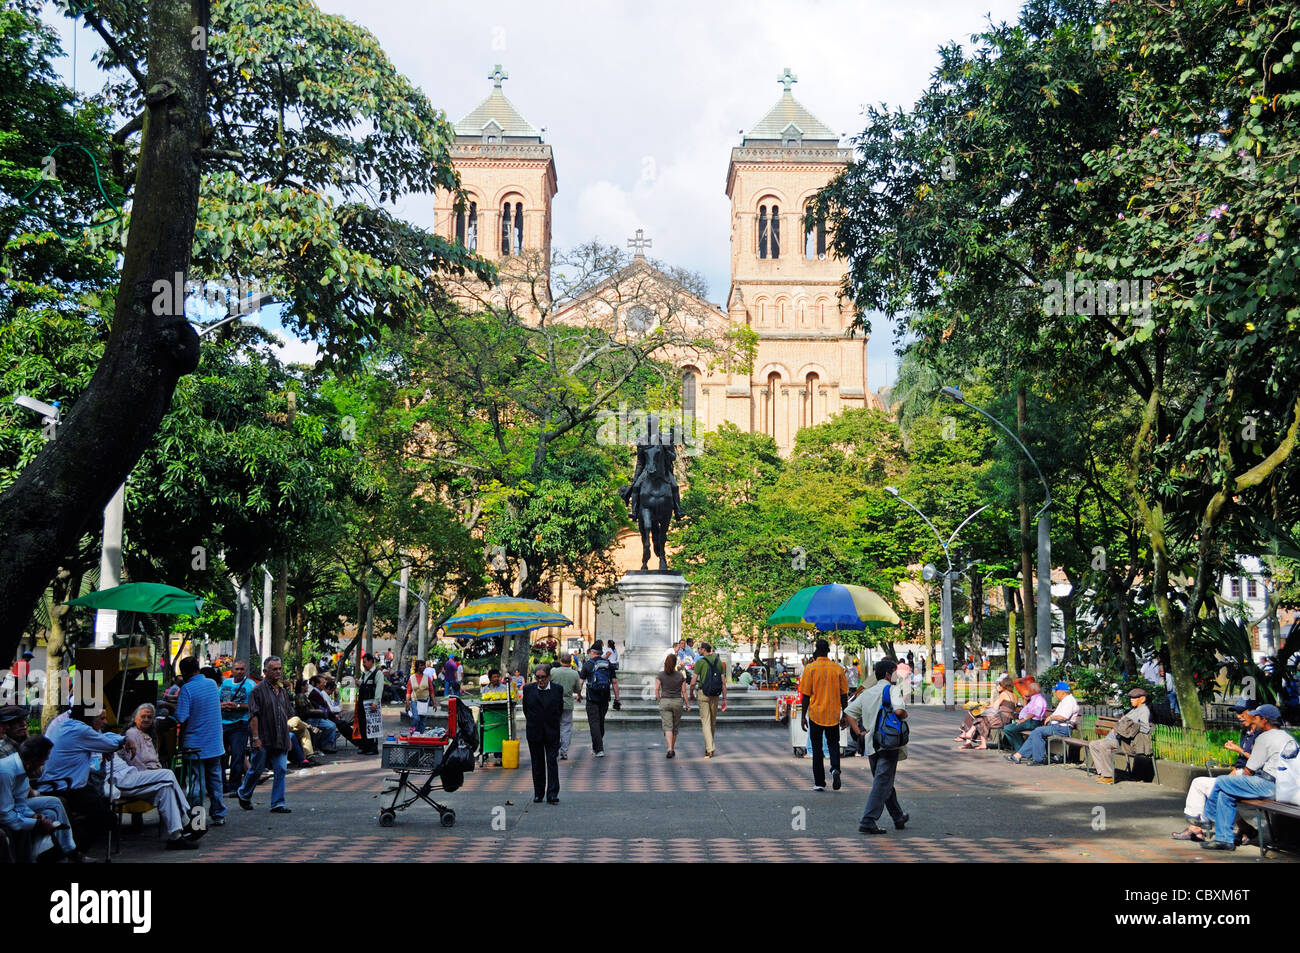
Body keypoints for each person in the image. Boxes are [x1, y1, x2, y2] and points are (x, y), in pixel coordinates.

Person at [1200, 704, 1298, 851]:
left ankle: (1208, 816)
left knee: (1222, 781)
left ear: (1264, 720)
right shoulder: (1286, 736)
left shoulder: (1264, 737)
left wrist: (1241, 779)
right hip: (1284, 786)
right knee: (1226, 794)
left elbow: (1248, 771)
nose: (1253, 720)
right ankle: (1224, 840)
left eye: (1256, 717)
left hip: (1268, 785)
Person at [37, 706, 133, 848]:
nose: (104, 722)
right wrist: (122, 740)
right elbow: (109, 744)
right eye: (101, 718)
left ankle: (77, 843)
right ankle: (78, 846)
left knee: (100, 805)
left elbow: (103, 738)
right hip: (66, 787)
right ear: (90, 718)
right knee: (108, 819)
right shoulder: (81, 730)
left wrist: (123, 738)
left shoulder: (65, 725)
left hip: (57, 784)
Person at [1172, 698, 1258, 842]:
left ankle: (1198, 829)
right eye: (1237, 713)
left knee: (1212, 789)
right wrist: (1229, 776)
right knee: (1201, 784)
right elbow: (1240, 764)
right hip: (1240, 775)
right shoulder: (1246, 732)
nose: (1238, 716)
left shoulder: (1262, 735)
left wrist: (1240, 750)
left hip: (1254, 779)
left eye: (1242, 712)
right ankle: (1198, 828)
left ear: (1254, 712)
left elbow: (1258, 762)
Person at [845, 659, 909, 834]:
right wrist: (904, 713)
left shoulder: (867, 693)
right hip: (889, 743)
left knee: (883, 781)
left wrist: (859, 732)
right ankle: (868, 820)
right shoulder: (892, 689)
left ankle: (898, 816)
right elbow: (898, 711)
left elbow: (849, 712)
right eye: (895, 673)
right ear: (888, 674)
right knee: (882, 783)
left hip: (871, 744)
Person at [1, 736, 86, 862]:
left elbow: (20, 804)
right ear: (33, 760)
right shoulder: (6, 772)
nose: (43, 765)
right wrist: (37, 823)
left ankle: (67, 851)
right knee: (39, 822)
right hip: (4, 813)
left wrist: (36, 816)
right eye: (43, 761)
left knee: (52, 808)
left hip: (9, 808)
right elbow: (6, 815)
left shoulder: (23, 769)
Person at [237, 656, 294, 813]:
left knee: (281, 769)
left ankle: (278, 803)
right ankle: (244, 793)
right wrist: (255, 738)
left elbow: (286, 716)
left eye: (279, 669)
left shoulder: (282, 691)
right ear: (265, 671)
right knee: (256, 769)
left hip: (280, 737)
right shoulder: (257, 691)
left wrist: (288, 737)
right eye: (274, 669)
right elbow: (253, 716)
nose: (277, 672)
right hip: (263, 738)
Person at [175, 656, 227, 827]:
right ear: (198, 668)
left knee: (196, 783)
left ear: (183, 673)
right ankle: (218, 814)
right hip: (214, 742)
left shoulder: (187, 689)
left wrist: (169, 706)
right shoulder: (212, 684)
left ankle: (197, 820)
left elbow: (181, 717)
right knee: (215, 780)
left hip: (194, 744)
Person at [799, 638, 849, 791]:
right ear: (828, 651)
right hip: (833, 714)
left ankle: (819, 782)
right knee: (834, 744)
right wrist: (845, 714)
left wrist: (803, 716)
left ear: (816, 650)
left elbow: (806, 695)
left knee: (817, 747)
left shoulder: (810, 669)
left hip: (815, 714)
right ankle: (835, 769)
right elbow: (843, 694)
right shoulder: (838, 669)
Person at [1089, 687, 1153, 784]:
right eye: (1131, 698)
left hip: (1126, 743)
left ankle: (1108, 776)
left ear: (1142, 699)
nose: (1131, 700)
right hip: (1118, 739)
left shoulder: (1144, 710)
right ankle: (1102, 772)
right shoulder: (1134, 709)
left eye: (1134, 698)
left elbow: (1145, 728)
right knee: (1093, 744)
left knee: (1103, 745)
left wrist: (1129, 729)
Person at [1006, 682, 1079, 766]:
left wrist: (1051, 718)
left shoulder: (1069, 701)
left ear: (1062, 692)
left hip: (1062, 728)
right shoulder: (1065, 701)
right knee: (1036, 733)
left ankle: (1038, 759)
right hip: (1056, 727)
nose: (1055, 693)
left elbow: (1063, 717)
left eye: (1056, 691)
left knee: (1037, 731)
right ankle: (1018, 755)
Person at [522, 664, 563, 804]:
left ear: (549, 677)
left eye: (543, 677)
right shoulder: (528, 689)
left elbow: (560, 710)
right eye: (537, 677)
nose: (540, 680)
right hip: (534, 731)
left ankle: (552, 793)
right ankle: (538, 793)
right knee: (537, 763)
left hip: (552, 731)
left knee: (552, 762)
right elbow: (526, 710)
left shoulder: (558, 689)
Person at [219, 659, 255, 793]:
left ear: (245, 670)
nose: (239, 672)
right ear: (232, 670)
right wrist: (223, 705)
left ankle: (235, 786)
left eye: (242, 669)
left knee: (237, 756)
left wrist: (238, 706)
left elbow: (254, 705)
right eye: (237, 669)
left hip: (240, 723)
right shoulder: (225, 683)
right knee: (220, 756)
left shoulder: (251, 685)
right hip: (223, 723)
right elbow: (218, 699)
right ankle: (222, 786)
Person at [956, 675, 1018, 750]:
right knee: (979, 717)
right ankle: (973, 739)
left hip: (1000, 719)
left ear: (1004, 686)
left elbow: (994, 707)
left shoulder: (1004, 694)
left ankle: (970, 735)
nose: (999, 686)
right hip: (1008, 719)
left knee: (978, 717)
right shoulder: (1014, 695)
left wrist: (992, 694)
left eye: (1000, 685)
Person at [579, 645, 619, 757]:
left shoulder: (588, 664)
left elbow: (581, 682)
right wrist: (617, 698)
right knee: (600, 722)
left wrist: (578, 694)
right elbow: (614, 682)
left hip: (592, 698)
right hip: (605, 697)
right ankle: (597, 746)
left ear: (592, 652)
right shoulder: (608, 664)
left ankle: (599, 749)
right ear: (601, 653)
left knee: (594, 723)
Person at [689, 641, 728, 758]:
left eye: (699, 648)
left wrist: (691, 693)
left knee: (705, 721)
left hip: (703, 693)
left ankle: (710, 748)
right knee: (712, 722)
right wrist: (725, 699)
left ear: (704, 650)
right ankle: (709, 747)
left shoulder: (700, 662)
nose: (698, 650)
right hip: (715, 694)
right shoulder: (718, 662)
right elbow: (723, 682)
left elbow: (693, 681)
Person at [655, 653, 689, 758]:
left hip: (665, 701)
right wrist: (687, 704)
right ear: (675, 663)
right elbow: (684, 691)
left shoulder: (660, 675)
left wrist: (659, 700)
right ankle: (672, 748)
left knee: (667, 726)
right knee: (675, 727)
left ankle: (669, 748)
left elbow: (656, 689)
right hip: (677, 702)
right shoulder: (680, 675)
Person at [549, 653, 581, 760]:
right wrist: (579, 695)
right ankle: (564, 751)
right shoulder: (575, 674)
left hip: (553, 703)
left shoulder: (553, 671)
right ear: (570, 661)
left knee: (554, 726)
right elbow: (577, 689)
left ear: (561, 660)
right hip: (567, 703)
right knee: (566, 728)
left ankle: (554, 749)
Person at [1001, 680, 1048, 753]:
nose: (1028, 690)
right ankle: (1021, 750)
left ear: (1033, 690)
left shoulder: (1039, 699)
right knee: (1010, 729)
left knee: (1008, 729)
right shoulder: (1034, 698)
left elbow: (1034, 713)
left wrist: (1024, 719)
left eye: (1029, 689)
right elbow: (1027, 710)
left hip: (1032, 722)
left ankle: (1021, 751)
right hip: (1028, 721)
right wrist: (1025, 700)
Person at [355, 653, 384, 755]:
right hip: (362, 703)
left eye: (365, 662)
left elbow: (379, 689)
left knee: (372, 725)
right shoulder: (364, 673)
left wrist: (376, 702)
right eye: (363, 662)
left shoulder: (378, 673)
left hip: (371, 703)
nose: (364, 664)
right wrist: (358, 683)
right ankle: (365, 747)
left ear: (372, 662)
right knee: (363, 724)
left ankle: (373, 748)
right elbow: (362, 685)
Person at [406, 660, 434, 733]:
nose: (423, 667)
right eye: (421, 665)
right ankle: (413, 731)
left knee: (423, 720)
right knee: (416, 718)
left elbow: (431, 691)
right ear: (417, 667)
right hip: (414, 700)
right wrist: (407, 703)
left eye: (424, 665)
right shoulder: (412, 678)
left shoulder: (427, 678)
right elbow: (408, 691)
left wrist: (434, 702)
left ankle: (420, 735)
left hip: (424, 701)